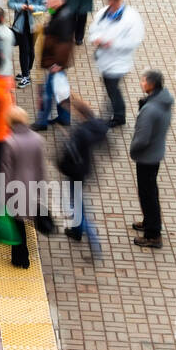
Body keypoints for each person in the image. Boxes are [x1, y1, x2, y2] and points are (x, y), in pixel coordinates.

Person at [88, 0, 145, 128]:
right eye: (109, 3)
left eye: (113, 4)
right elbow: (93, 29)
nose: (110, 6)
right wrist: (96, 38)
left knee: (112, 87)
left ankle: (119, 116)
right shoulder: (103, 12)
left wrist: (112, 44)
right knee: (109, 86)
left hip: (119, 62)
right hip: (104, 59)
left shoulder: (131, 18)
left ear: (119, 1)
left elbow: (135, 40)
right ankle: (113, 112)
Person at [129, 70, 172, 249]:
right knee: (150, 191)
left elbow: (142, 138)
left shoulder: (150, 109)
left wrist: (133, 149)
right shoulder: (163, 100)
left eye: (144, 81)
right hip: (155, 153)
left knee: (148, 195)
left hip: (147, 157)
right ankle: (149, 221)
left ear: (151, 85)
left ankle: (153, 234)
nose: (141, 83)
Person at [0, 107, 47, 268]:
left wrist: (3, 198)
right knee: (26, 221)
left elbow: (5, 171)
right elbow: (41, 167)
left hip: (15, 190)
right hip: (33, 186)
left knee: (18, 224)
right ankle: (22, 256)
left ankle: (21, 258)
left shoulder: (10, 142)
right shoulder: (38, 139)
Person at [60, 97, 105, 252]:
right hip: (85, 170)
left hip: (75, 172)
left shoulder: (81, 132)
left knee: (78, 205)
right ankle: (76, 230)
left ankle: (93, 240)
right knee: (78, 202)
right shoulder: (95, 126)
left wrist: (67, 141)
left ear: (80, 114)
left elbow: (69, 152)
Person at [34, 0, 76, 130]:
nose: (46, 2)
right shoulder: (60, 12)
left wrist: (58, 63)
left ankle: (42, 122)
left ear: (58, 0)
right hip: (56, 62)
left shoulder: (63, 17)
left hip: (55, 63)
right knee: (60, 90)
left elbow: (65, 44)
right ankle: (64, 118)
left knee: (47, 93)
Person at [8, 0, 44, 88]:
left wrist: (35, 8)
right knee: (24, 50)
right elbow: (10, 3)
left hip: (35, 25)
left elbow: (46, 7)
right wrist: (19, 6)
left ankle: (26, 72)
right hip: (21, 25)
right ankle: (25, 76)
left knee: (30, 50)